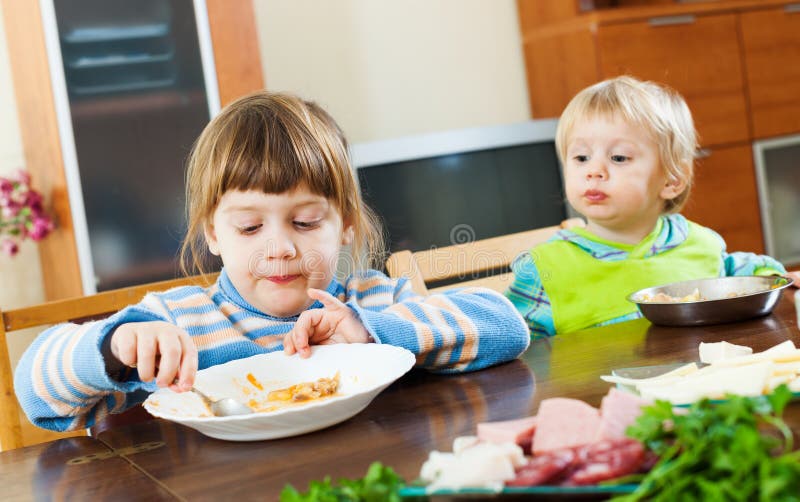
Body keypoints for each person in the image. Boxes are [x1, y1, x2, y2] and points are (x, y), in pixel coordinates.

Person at [15, 92, 530, 432]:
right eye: (249, 227)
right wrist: (113, 346)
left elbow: (505, 324)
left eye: (305, 223)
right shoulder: (180, 323)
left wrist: (373, 334)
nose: (279, 248)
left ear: (345, 224)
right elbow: (36, 395)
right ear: (214, 233)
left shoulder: (371, 302)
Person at [505, 76, 786, 338]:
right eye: (581, 157)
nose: (594, 171)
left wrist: (774, 278)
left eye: (618, 157)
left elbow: (743, 275)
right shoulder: (544, 269)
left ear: (672, 180)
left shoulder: (701, 244)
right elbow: (516, 345)